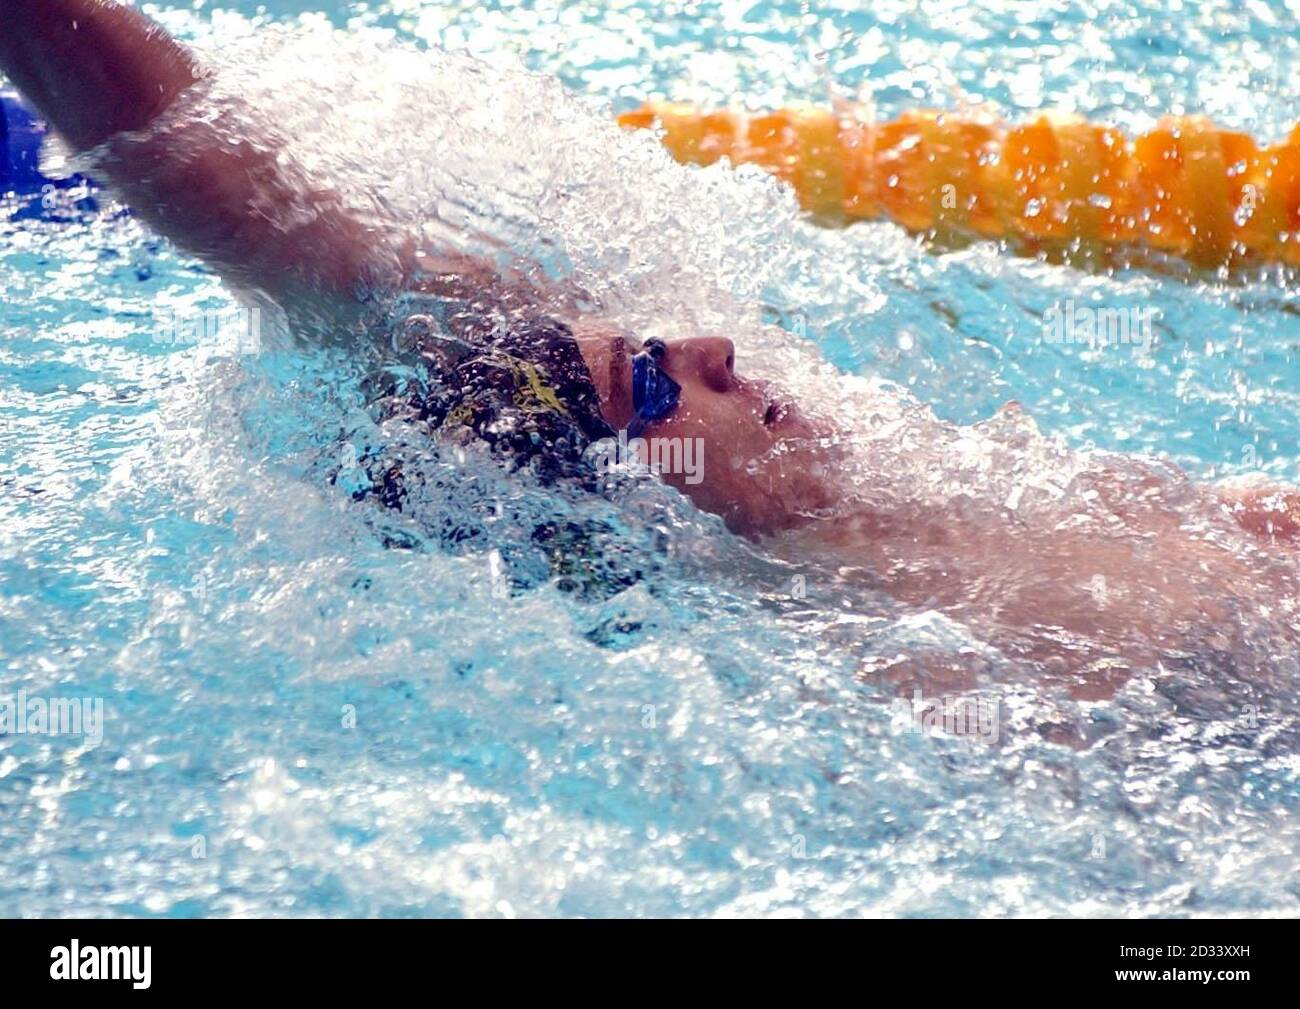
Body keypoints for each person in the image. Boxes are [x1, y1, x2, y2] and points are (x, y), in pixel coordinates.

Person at [3, 0, 1298, 676]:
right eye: (652, 376)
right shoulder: (901, 657)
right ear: (627, 511)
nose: (719, 352)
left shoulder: (855, 479)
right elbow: (227, 199)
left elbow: (294, 209)